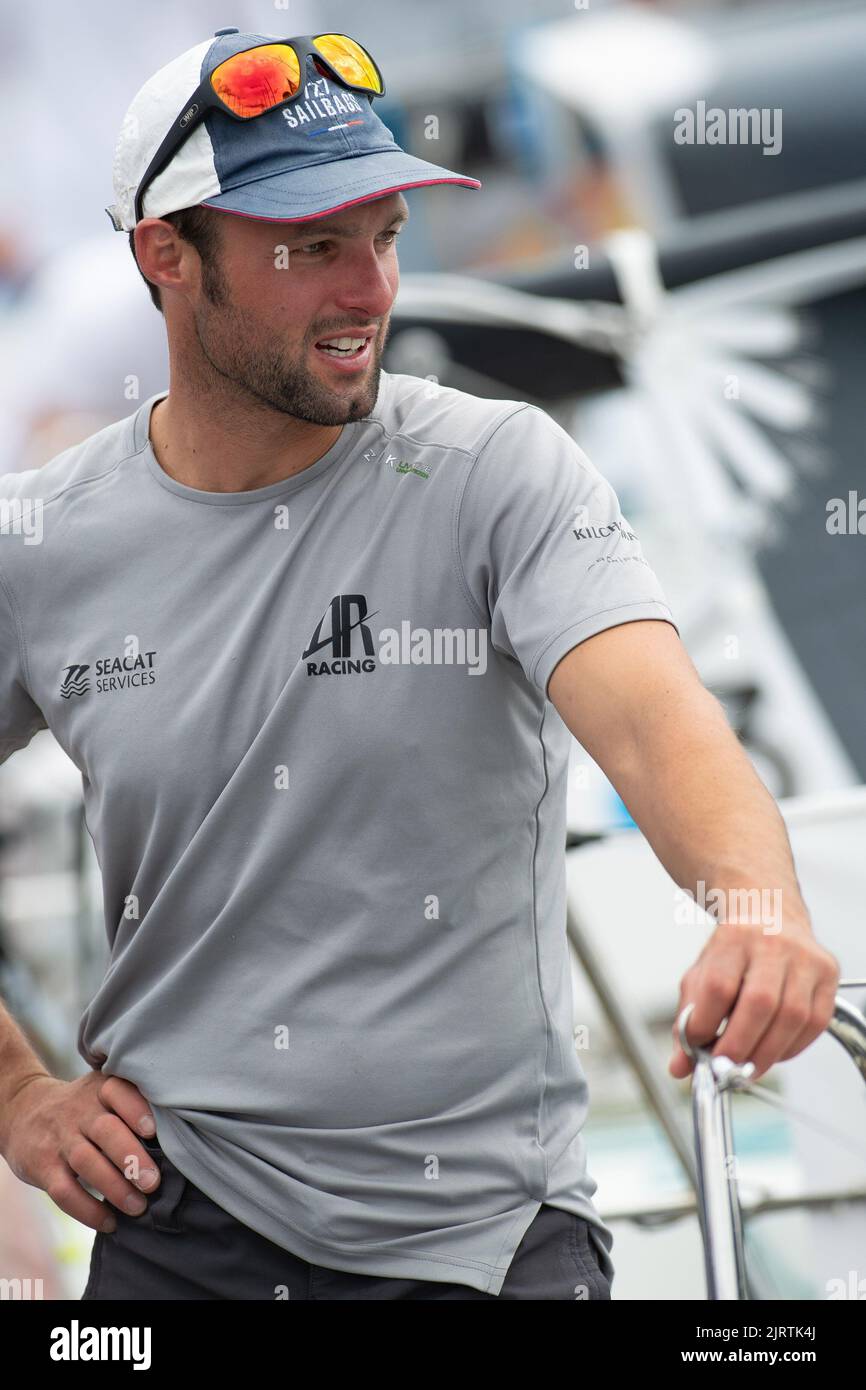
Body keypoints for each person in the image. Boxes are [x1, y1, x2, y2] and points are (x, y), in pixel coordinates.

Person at [0, 28, 839, 1301]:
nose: (372, 288)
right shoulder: (44, 542)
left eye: (384, 236)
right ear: (164, 256)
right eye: (313, 246)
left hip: (491, 1249)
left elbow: (657, 725)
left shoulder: (496, 470)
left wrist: (754, 901)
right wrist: (20, 1096)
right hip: (173, 1241)